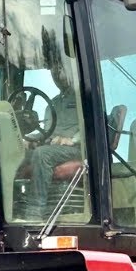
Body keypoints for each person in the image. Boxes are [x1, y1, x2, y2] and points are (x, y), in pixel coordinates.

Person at [26, 57, 83, 220]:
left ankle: (35, 211)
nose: (57, 73)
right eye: (53, 70)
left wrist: (73, 139)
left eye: (61, 68)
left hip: (77, 149)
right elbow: (47, 133)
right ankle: (12, 208)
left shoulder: (83, 98)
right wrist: (29, 139)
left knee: (42, 154)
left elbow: (92, 125)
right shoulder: (53, 103)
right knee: (18, 155)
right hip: (55, 149)